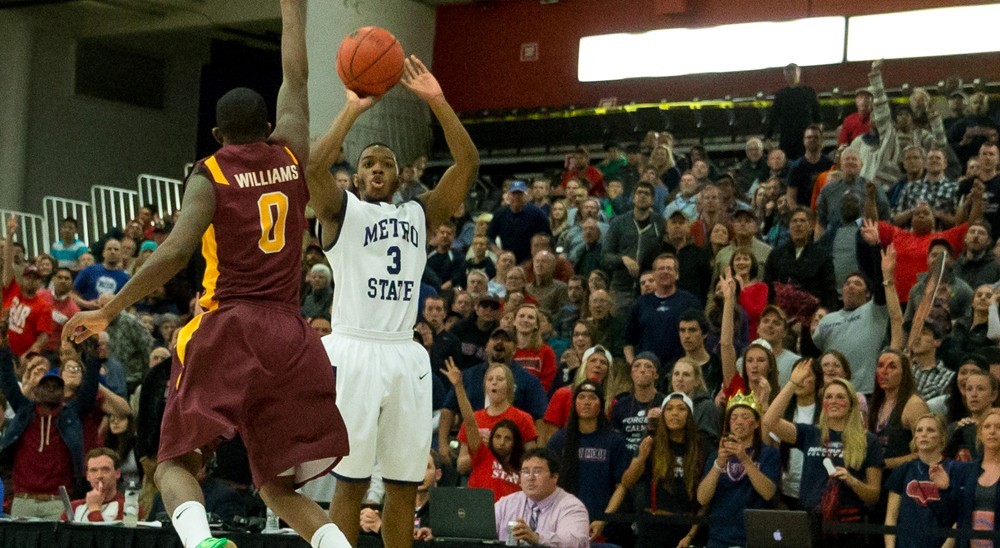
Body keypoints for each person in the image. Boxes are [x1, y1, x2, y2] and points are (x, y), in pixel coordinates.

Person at [64, 4, 353, 548]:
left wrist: (109, 307)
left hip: (229, 326)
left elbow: (174, 252)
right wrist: (294, 9)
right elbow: (297, 75)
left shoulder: (212, 172)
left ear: (219, 133)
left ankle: (203, 545)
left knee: (172, 460)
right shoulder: (291, 151)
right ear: (267, 127)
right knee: (275, 486)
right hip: (292, 336)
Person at [305, 43, 478, 545]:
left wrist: (437, 100)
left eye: (386, 162)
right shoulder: (341, 213)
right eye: (369, 164)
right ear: (356, 177)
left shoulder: (419, 214)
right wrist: (351, 109)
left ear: (401, 175)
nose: (378, 168)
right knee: (352, 482)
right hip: (355, 349)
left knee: (404, 483)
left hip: (406, 354)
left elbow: (467, 163)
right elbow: (314, 170)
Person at [764, 368, 883, 541]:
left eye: (840, 397)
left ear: (851, 404)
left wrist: (853, 481)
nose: (833, 401)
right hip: (810, 522)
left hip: (847, 527)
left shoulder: (869, 440)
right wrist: (792, 384)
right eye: (828, 397)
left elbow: (874, 494)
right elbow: (769, 421)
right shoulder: (810, 433)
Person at [1, 346, 100, 520]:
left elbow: (89, 391)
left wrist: (93, 356)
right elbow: (8, 382)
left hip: (58, 501)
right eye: (46, 386)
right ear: (36, 391)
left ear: (63, 393)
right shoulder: (24, 411)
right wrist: (3, 346)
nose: (52, 389)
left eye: (57, 386)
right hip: (24, 499)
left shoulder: (71, 415)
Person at [602, 392, 705, 548]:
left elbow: (706, 500)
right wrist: (641, 459)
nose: (674, 413)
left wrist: (691, 534)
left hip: (686, 527)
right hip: (654, 526)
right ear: (663, 415)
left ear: (690, 415)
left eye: (681, 409)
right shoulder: (651, 443)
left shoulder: (701, 448)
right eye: (669, 409)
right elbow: (627, 482)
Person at [696, 391, 780, 548]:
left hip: (754, 538)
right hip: (718, 537)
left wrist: (744, 459)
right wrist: (718, 463)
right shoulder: (716, 454)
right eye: (734, 417)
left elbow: (768, 493)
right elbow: (702, 498)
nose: (739, 421)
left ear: (756, 423)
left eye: (745, 417)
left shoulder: (768, 453)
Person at [547, 382, 630, 539]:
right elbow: (548, 481)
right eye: (581, 397)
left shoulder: (614, 441)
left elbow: (621, 486)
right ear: (574, 404)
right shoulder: (560, 439)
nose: (586, 402)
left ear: (601, 404)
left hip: (602, 522)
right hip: (564, 519)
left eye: (592, 398)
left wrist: (603, 519)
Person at [884, 413, 977, 548]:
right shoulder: (904, 469)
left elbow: (961, 516)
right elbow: (891, 516)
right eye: (919, 430)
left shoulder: (956, 469)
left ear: (942, 437)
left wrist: (948, 545)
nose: (924, 434)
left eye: (930, 430)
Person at [443, 358, 529, 501]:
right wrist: (481, 450)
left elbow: (531, 461)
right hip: (479, 497)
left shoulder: (523, 419)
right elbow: (461, 466)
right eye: (490, 379)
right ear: (485, 386)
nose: (494, 382)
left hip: (512, 495)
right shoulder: (475, 419)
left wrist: (500, 448)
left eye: (500, 379)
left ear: (510, 386)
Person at [495, 447, 590, 548]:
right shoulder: (506, 504)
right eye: (526, 472)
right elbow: (480, 533)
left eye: (537, 471)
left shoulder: (572, 507)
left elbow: (575, 542)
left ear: (554, 477)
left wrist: (537, 538)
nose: (530, 478)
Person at [623, 253, 701, 366]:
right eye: (660, 268)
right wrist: (632, 363)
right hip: (647, 369)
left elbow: (700, 335)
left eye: (669, 268)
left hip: (681, 368)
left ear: (677, 274)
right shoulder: (639, 304)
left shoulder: (690, 302)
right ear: (653, 274)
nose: (665, 271)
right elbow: (628, 340)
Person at [765, 63, 821, 161]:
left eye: (793, 71)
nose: (791, 74)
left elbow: (818, 116)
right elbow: (773, 117)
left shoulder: (809, 92)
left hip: (806, 138)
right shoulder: (780, 94)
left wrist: (819, 137)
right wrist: (768, 137)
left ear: (799, 72)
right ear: (784, 75)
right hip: (787, 139)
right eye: (788, 72)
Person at [63, 447, 127, 522]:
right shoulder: (73, 507)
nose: (99, 475)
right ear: (87, 476)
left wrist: (94, 509)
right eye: (93, 470)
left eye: (105, 469)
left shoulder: (128, 507)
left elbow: (105, 534)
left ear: (117, 473)